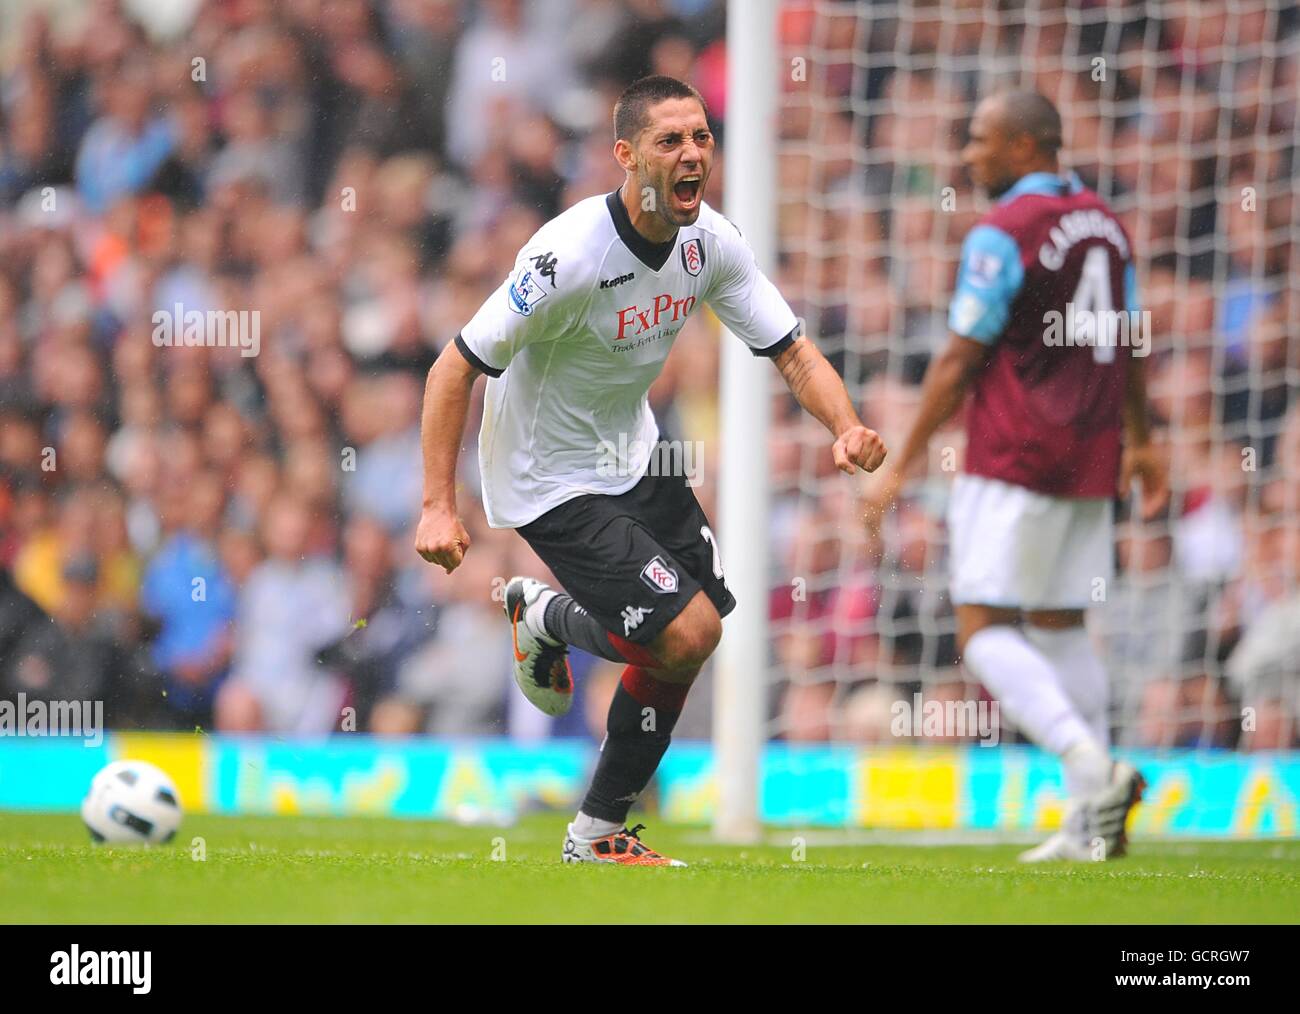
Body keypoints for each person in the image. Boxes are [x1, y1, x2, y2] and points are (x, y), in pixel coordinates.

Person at [415, 75, 886, 865]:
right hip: (547, 475)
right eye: (670, 141)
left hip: (632, 451)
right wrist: (437, 503)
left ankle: (598, 826)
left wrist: (847, 426)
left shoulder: (711, 245)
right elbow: (453, 368)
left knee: (694, 639)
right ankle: (555, 640)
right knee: (687, 631)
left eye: (701, 137)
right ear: (627, 157)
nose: (692, 153)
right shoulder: (567, 255)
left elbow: (793, 352)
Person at [862, 91, 1168, 862]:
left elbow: (963, 356)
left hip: (1014, 457)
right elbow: (1129, 339)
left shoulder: (1003, 232)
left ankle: (1091, 767)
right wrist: (1141, 438)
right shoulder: (1107, 223)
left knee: (983, 630)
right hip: (1089, 458)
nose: (968, 155)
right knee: (1062, 623)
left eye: (981, 140)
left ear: (1029, 146)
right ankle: (1088, 828)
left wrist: (900, 460)